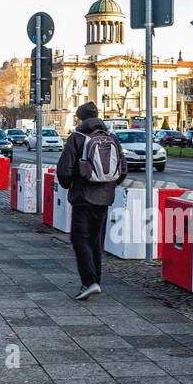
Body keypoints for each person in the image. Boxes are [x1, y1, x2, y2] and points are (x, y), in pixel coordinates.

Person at [56, 102, 125, 300]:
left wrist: (70, 185)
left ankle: (89, 281)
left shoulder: (76, 138)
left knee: (79, 238)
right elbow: (122, 170)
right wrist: (107, 185)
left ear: (81, 118)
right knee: (96, 240)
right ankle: (96, 280)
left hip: (82, 198)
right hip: (104, 199)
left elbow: (64, 170)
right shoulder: (111, 138)